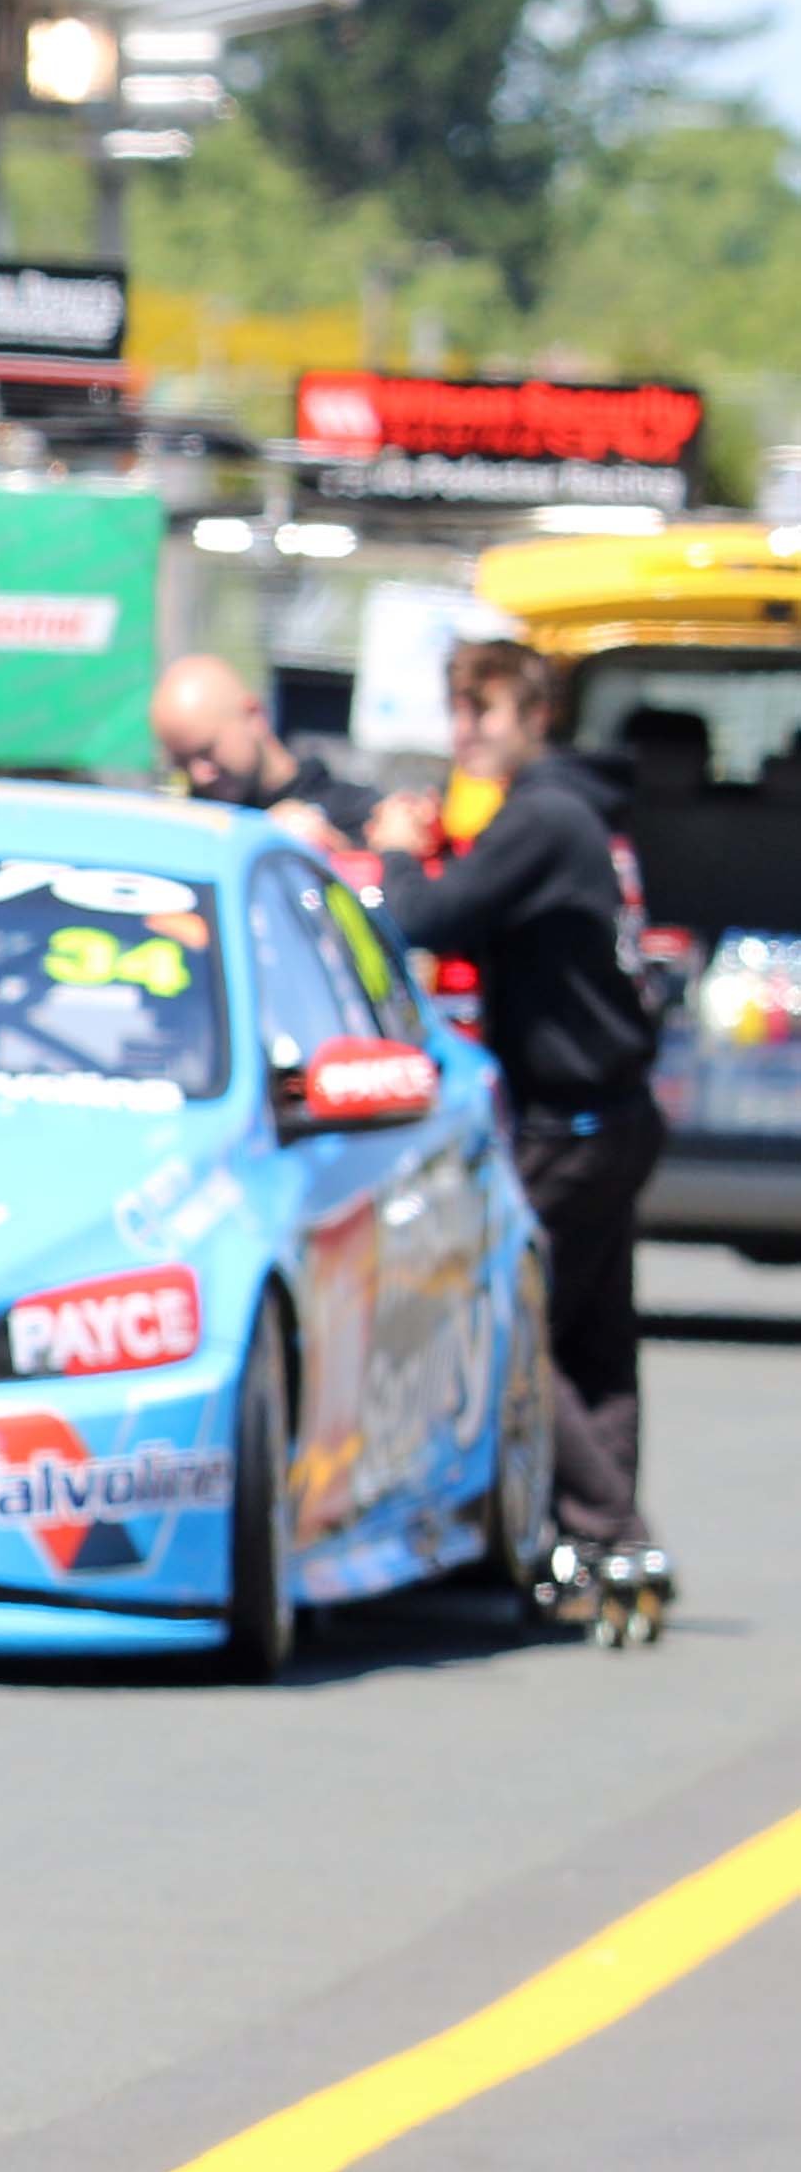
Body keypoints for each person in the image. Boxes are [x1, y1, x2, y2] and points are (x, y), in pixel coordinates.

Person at [373, 642, 667, 1611]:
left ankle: (610, 1531)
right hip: (607, 1109)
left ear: (536, 717)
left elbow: (428, 916)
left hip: (571, 1122)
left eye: (485, 713)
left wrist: (395, 851)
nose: (466, 733)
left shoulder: (542, 817)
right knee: (592, 1340)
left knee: (510, 1328)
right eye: (458, 712)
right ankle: (598, 1544)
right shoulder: (576, 811)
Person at [149, 652, 372, 844]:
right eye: (182, 761)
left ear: (254, 714)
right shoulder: (189, 824)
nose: (199, 775)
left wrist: (328, 851)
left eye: (206, 751)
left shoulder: (357, 814)